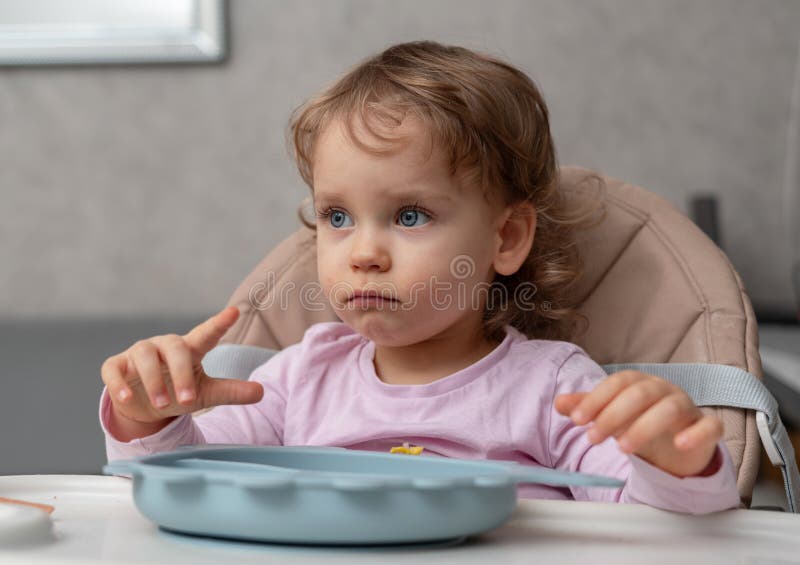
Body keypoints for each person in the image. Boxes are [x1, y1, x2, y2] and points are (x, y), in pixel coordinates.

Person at [99, 40, 740, 513]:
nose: (364, 253)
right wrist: (149, 419)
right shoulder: (298, 381)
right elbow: (186, 488)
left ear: (506, 238)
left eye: (410, 215)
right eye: (337, 216)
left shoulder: (553, 388)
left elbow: (652, 529)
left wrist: (672, 461)